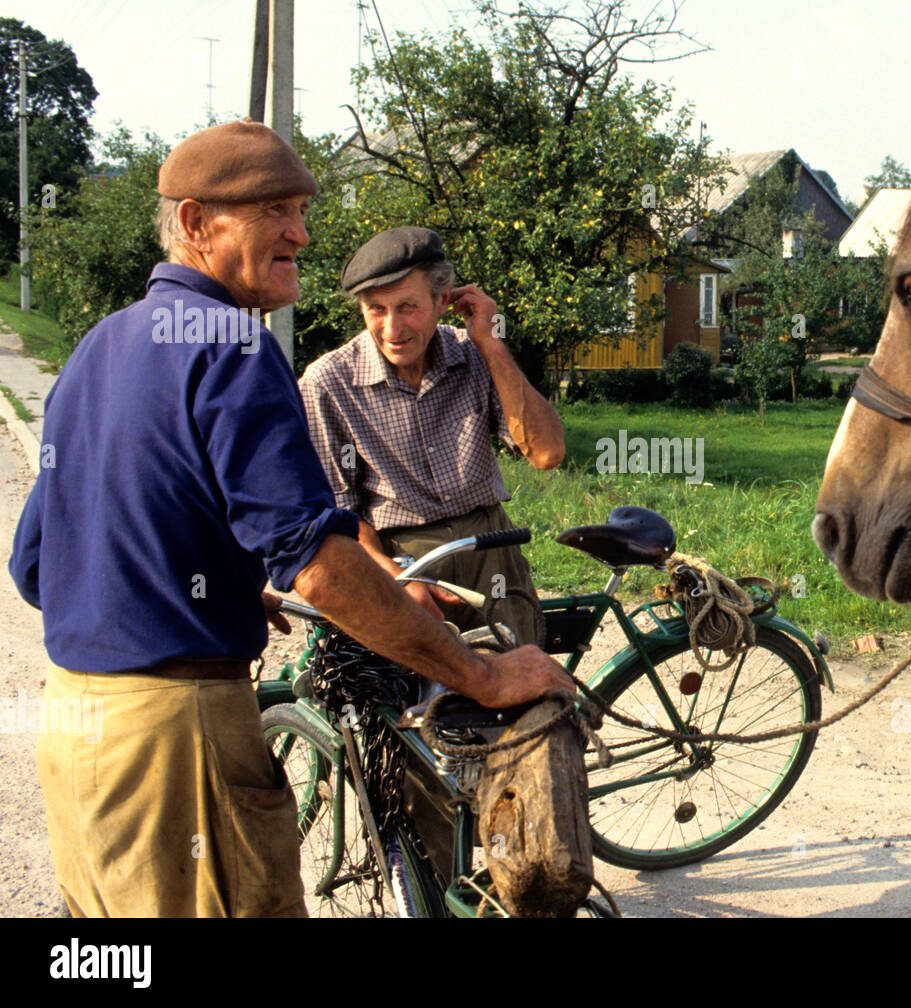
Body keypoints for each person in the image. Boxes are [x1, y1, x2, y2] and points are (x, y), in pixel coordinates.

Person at [8, 121, 571, 919]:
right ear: (198, 222)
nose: (301, 234)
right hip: (179, 745)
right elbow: (320, 566)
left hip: (77, 741)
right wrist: (479, 674)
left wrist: (213, 591)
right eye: (275, 211)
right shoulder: (233, 346)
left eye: (301, 209)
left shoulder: (98, 347)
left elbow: (37, 565)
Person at [298, 226, 565, 647]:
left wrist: (492, 346)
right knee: (423, 707)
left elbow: (547, 452)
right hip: (400, 562)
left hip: (490, 552)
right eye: (375, 309)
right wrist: (395, 577)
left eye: (407, 306)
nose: (392, 328)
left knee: (522, 694)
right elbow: (341, 513)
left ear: (443, 300)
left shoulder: (473, 354)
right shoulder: (328, 382)